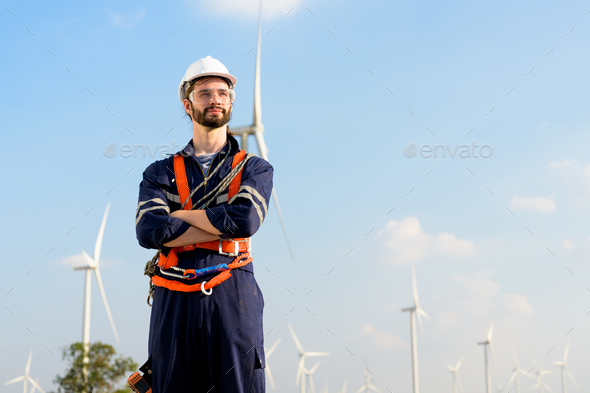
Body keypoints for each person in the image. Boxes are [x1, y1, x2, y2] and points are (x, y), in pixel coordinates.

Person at [135, 56, 273, 392]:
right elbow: (150, 231)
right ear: (187, 104)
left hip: (233, 294)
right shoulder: (159, 172)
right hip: (173, 295)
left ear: (231, 101)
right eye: (204, 92)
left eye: (222, 93)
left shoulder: (255, 168)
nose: (215, 99)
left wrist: (178, 217)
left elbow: (245, 220)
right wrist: (219, 222)